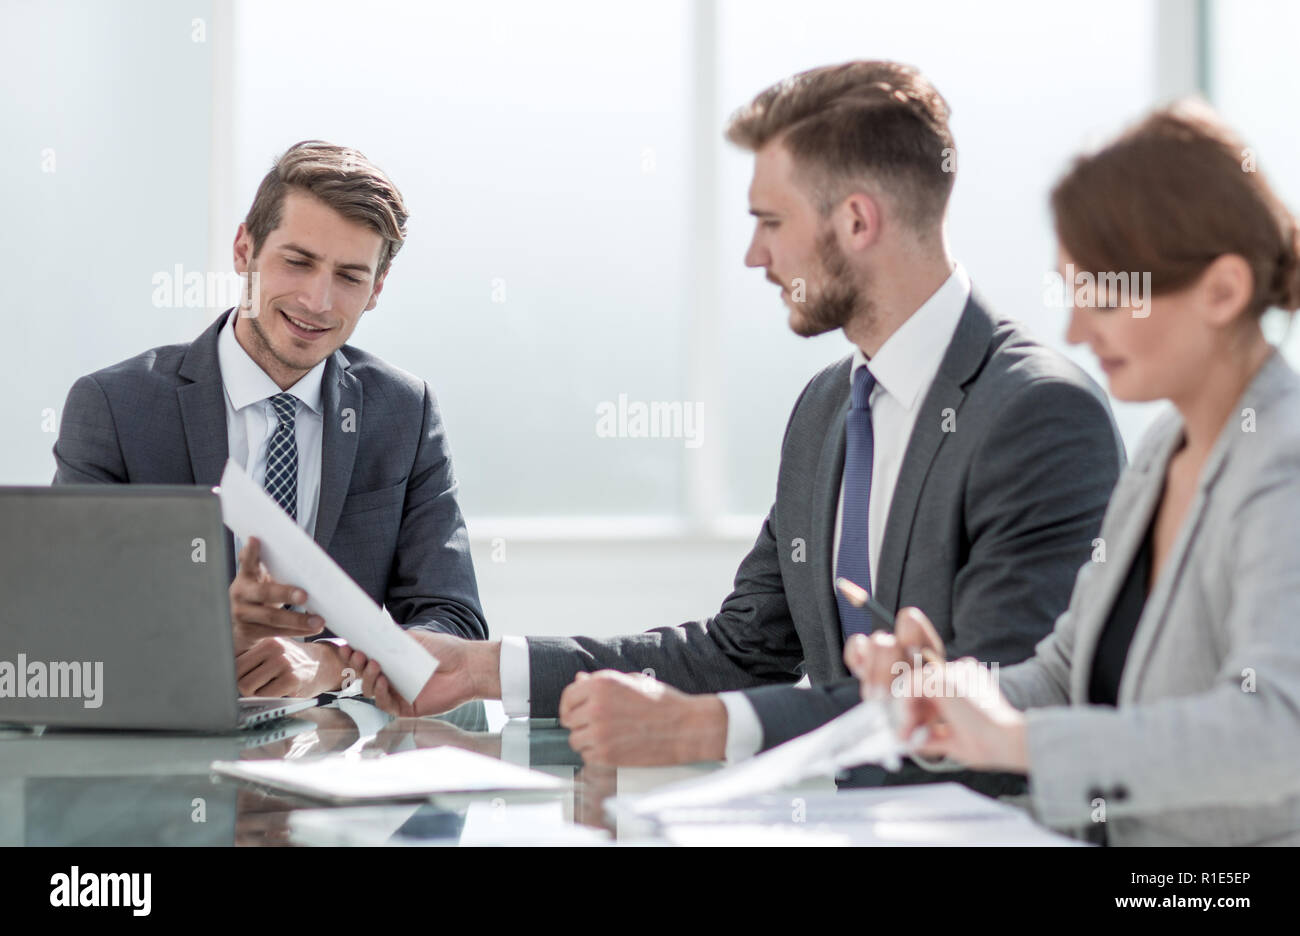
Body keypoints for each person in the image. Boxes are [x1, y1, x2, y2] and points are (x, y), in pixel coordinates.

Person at [349, 62, 1122, 788]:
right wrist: (483, 668)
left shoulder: (1039, 414)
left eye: (769, 221)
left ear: (856, 220)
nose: (755, 255)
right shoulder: (827, 410)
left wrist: (704, 731)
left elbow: (999, 709)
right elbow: (743, 649)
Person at [847, 100, 1300, 845]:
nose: (1075, 332)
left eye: (1106, 296)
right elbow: (1066, 675)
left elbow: (1275, 732)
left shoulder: (1281, 459)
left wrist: (1016, 744)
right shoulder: (1164, 448)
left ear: (1223, 290)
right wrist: (949, 696)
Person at [53, 141, 486, 698]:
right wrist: (210, 629)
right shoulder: (116, 407)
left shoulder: (403, 413)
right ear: (244, 249)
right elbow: (66, 625)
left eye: (350, 276)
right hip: (163, 737)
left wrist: (333, 665)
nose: (317, 300)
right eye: (298, 261)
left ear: (377, 290)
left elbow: (454, 622)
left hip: (340, 754)